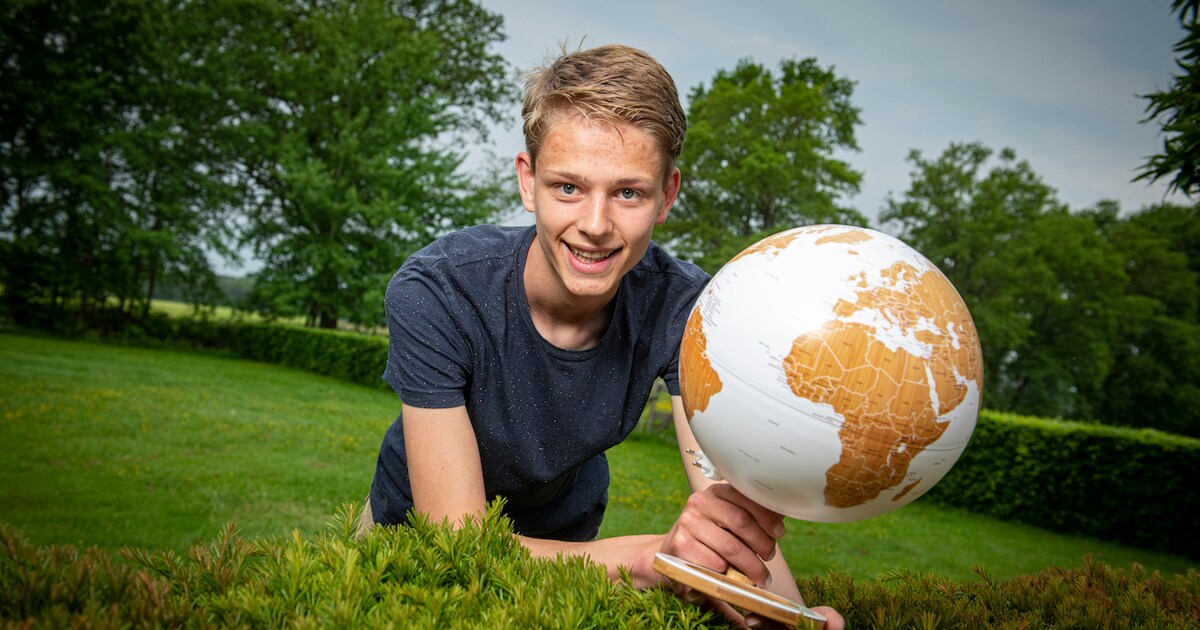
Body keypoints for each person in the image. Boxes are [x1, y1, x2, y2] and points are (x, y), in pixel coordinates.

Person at [363, 43, 843, 629]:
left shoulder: (688, 309)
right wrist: (650, 559)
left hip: (571, 543)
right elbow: (457, 544)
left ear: (667, 194)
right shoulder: (438, 291)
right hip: (412, 535)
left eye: (628, 193)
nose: (594, 226)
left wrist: (785, 614)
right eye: (567, 187)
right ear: (527, 179)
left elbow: (728, 503)